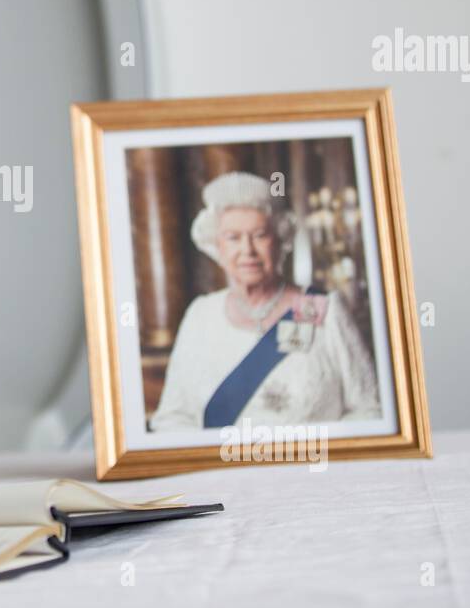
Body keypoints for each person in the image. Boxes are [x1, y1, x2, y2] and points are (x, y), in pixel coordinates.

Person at [148, 171, 380, 432]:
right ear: (217, 246)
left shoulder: (324, 311)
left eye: (260, 235)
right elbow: (172, 418)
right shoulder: (200, 316)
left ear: (280, 241)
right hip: (225, 470)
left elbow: (368, 409)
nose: (247, 250)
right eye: (233, 238)